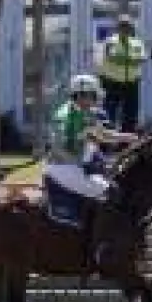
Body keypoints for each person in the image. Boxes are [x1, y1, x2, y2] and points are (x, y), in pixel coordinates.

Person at [44, 74, 135, 207]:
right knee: (112, 192)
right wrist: (79, 163)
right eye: (93, 96)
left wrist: (130, 137)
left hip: (77, 167)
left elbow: (102, 134)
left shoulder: (86, 112)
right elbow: (57, 147)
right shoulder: (65, 116)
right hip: (63, 169)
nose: (96, 100)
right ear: (82, 96)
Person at [97, 17, 147, 132]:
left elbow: (142, 58)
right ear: (117, 28)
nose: (125, 29)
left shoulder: (137, 42)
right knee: (109, 111)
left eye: (127, 26)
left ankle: (128, 135)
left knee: (131, 112)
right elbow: (111, 57)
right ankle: (108, 135)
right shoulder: (110, 42)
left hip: (131, 82)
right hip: (112, 82)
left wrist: (123, 59)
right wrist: (131, 59)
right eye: (122, 26)